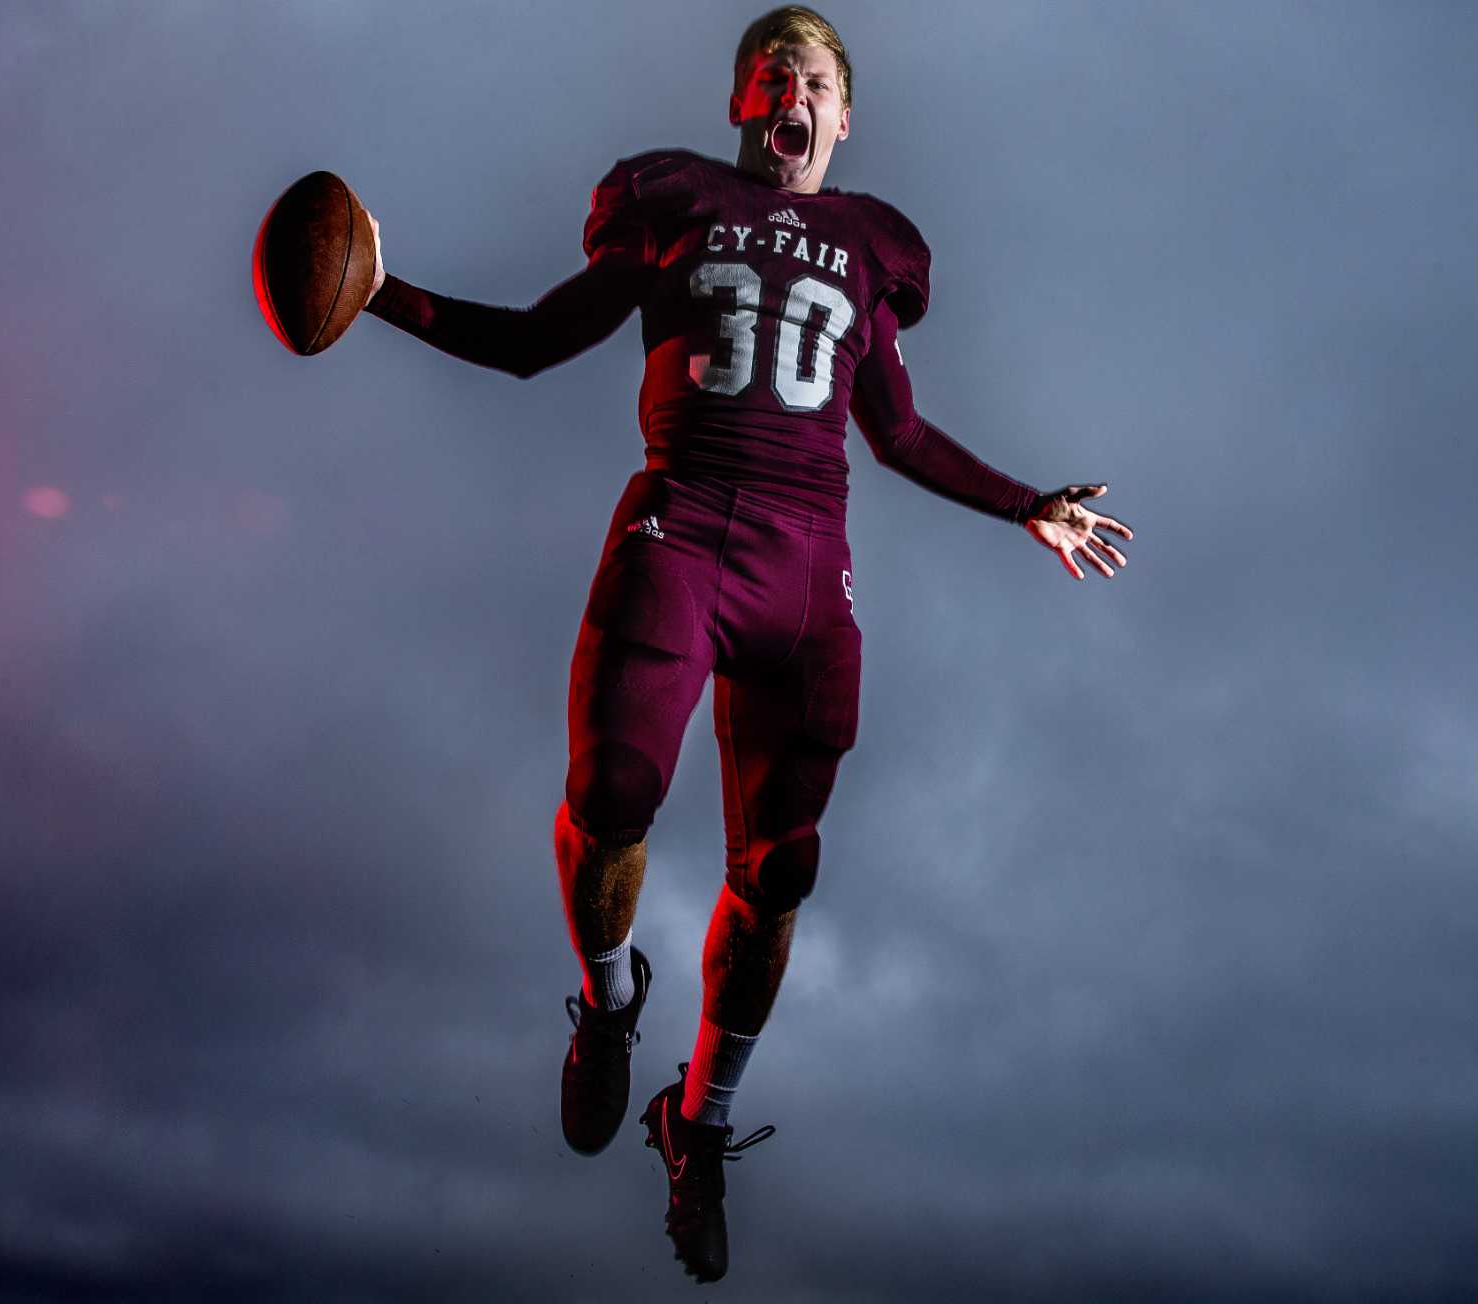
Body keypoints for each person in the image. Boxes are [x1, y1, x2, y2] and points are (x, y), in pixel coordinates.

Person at [359, 5, 1132, 1283]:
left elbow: (897, 431)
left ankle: (700, 1122)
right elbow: (532, 343)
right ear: (741, 102)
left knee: (779, 872)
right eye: (770, 73)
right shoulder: (674, 198)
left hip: (804, 571)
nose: (792, 90)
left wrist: (1025, 504)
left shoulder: (871, 243)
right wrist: (380, 292)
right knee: (611, 789)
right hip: (680, 521)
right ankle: (611, 999)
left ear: (844, 115)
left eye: (814, 77)